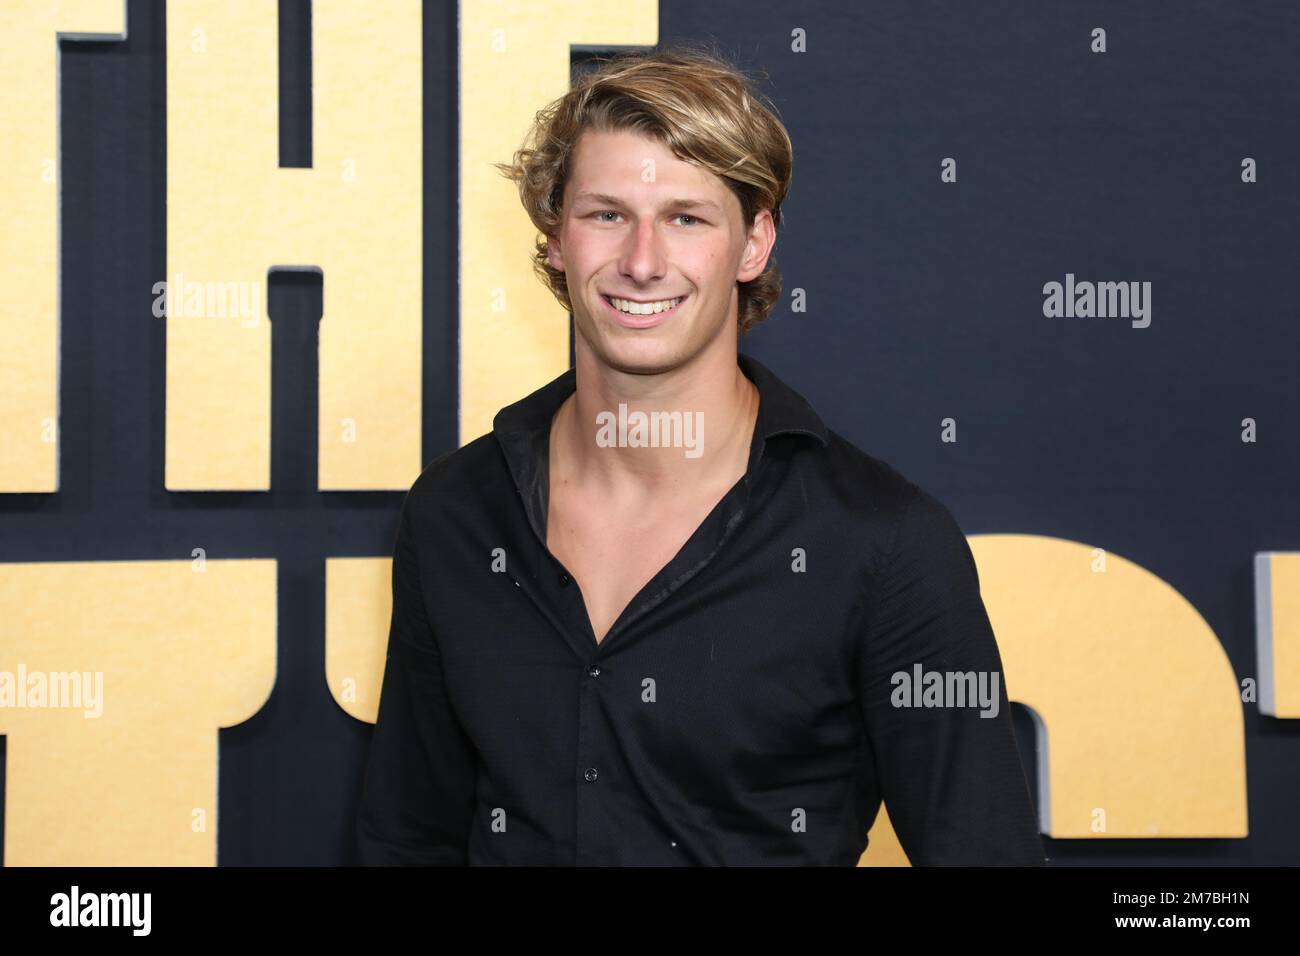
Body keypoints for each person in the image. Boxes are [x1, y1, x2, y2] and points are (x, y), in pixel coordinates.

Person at [356, 43, 1045, 866]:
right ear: (553, 240)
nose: (642, 262)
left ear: (753, 243)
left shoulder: (882, 542)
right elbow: (407, 837)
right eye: (606, 214)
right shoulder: (457, 512)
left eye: (686, 218)